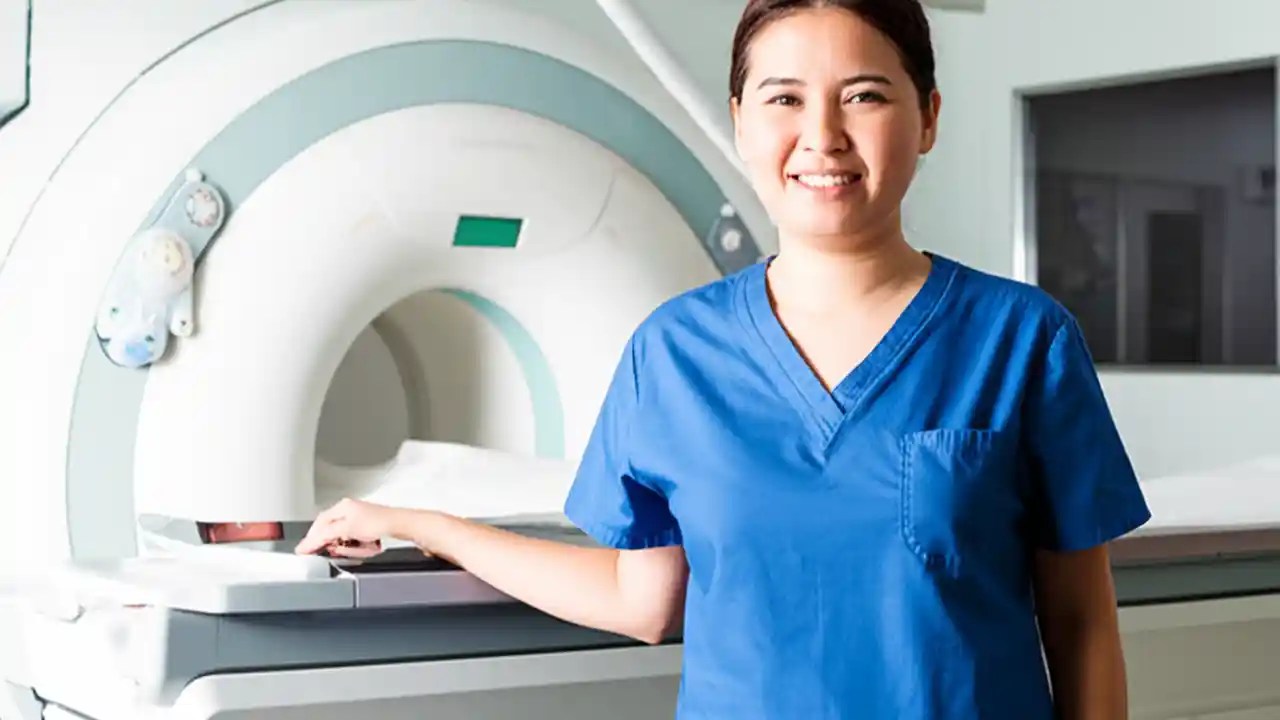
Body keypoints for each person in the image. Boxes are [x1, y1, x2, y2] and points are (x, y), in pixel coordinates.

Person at [296, 0, 1152, 717]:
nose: (823, 136)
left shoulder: (1021, 339)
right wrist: (431, 527)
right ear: (740, 119)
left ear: (927, 117)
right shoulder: (674, 353)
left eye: (863, 96)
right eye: (785, 99)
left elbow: (1082, 624)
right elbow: (641, 602)